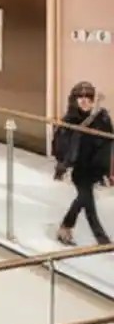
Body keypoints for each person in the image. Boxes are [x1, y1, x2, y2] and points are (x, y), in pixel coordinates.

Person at [53, 80, 112, 246]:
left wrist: (107, 171)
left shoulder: (101, 118)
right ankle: (102, 239)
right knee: (87, 201)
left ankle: (65, 227)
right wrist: (63, 165)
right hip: (80, 169)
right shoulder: (70, 120)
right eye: (81, 97)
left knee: (82, 200)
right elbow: (62, 145)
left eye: (88, 97)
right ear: (75, 99)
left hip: (95, 168)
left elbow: (107, 144)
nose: (85, 100)